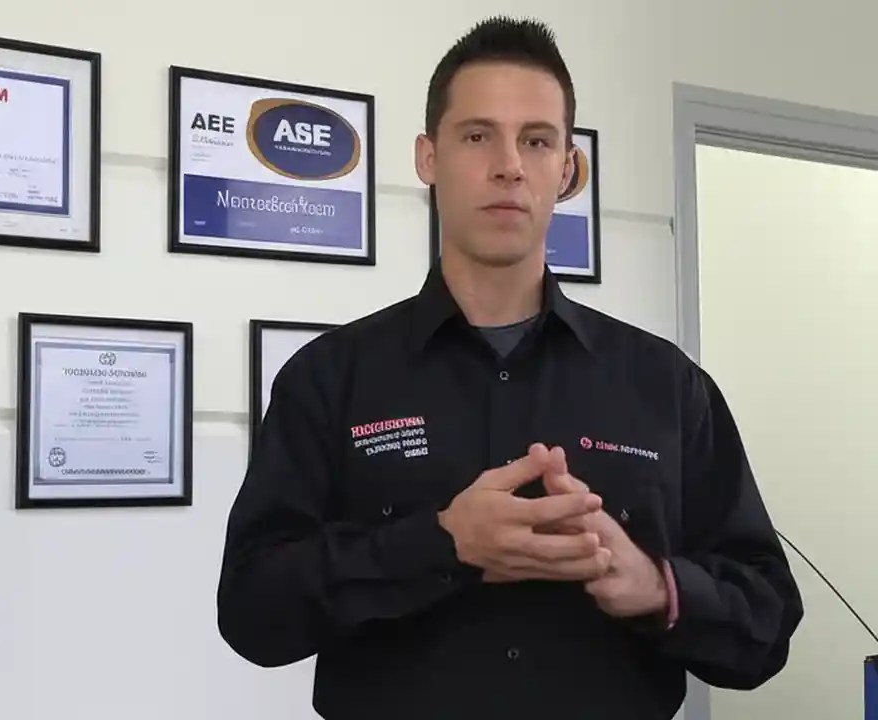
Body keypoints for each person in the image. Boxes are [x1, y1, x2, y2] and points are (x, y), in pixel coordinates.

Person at [215, 15, 803, 720]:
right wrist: (439, 543)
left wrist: (653, 584)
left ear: (567, 169)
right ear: (427, 158)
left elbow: (766, 623)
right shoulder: (329, 379)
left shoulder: (666, 385)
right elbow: (253, 612)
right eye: (476, 135)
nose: (509, 166)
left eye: (536, 140)